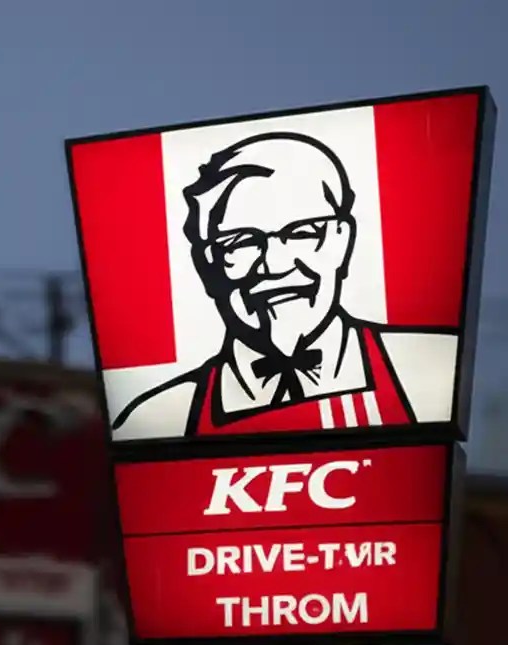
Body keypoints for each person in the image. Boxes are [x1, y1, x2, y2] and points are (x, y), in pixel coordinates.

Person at [114, 132, 456, 438]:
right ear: (206, 265)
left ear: (342, 241)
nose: (275, 265)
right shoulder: (158, 418)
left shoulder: (425, 371)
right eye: (241, 242)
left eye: (303, 233)